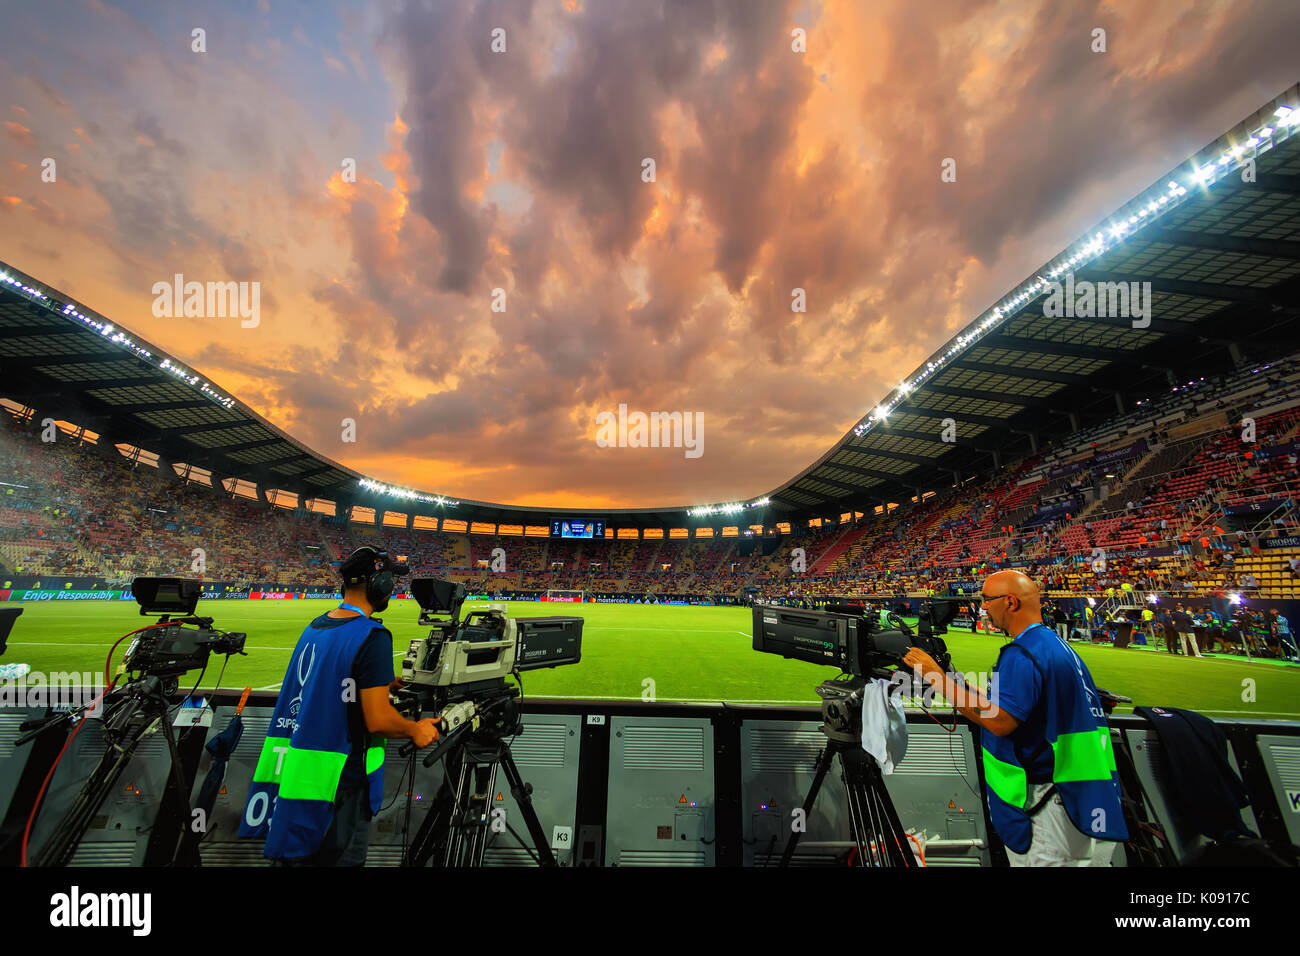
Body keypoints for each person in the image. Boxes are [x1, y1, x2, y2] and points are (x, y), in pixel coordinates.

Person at [903, 570, 1126, 866]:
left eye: (987, 599)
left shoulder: (1022, 653)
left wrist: (936, 678)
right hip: (1074, 799)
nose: (982, 607)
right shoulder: (1051, 644)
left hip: (1046, 811)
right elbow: (1019, 705)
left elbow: (1000, 721)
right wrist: (962, 686)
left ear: (1010, 602)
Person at [239, 547, 439, 865]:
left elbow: (328, 679)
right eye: (389, 580)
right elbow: (377, 720)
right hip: (342, 780)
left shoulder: (316, 626)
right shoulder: (372, 635)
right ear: (379, 584)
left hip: (300, 776)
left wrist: (381, 683)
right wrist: (416, 729)